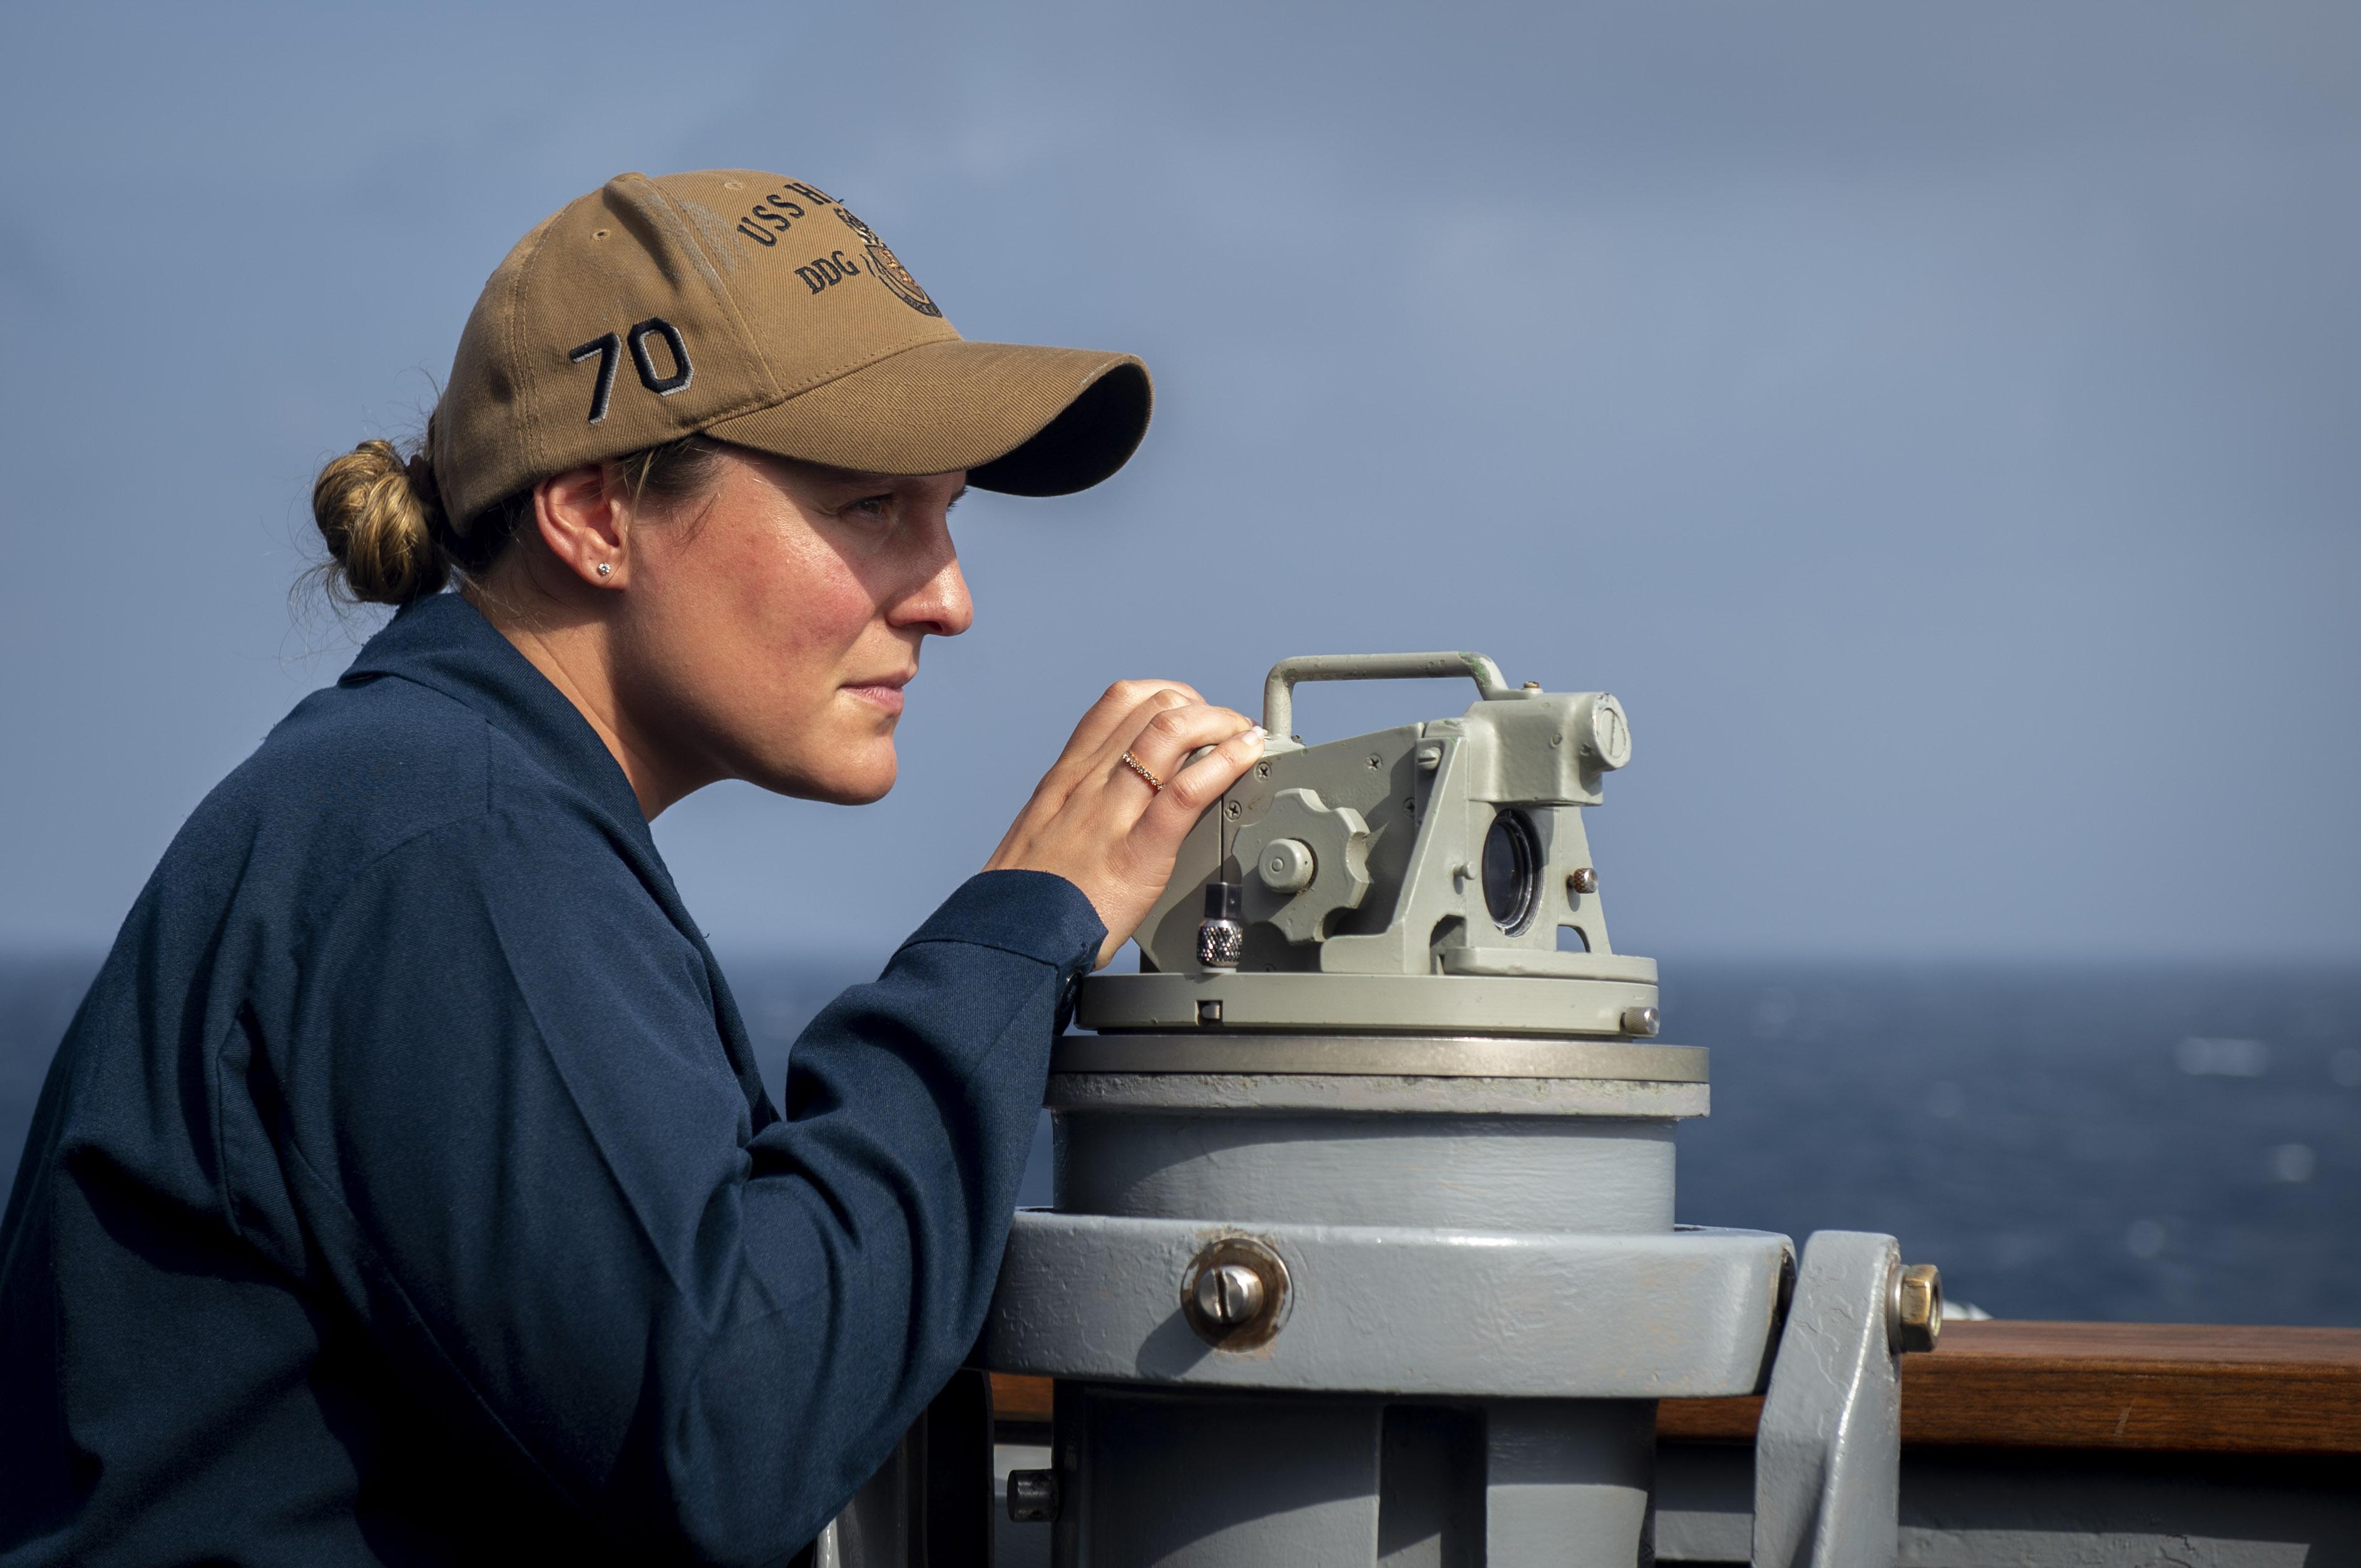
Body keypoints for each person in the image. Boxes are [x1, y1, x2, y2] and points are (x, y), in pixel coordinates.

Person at [0, 170, 1262, 1564]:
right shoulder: (448, 837)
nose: (948, 593)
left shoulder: (433, 796)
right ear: (596, 513)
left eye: (947, 512)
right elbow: (726, 1420)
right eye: (869, 509)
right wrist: (1017, 931)